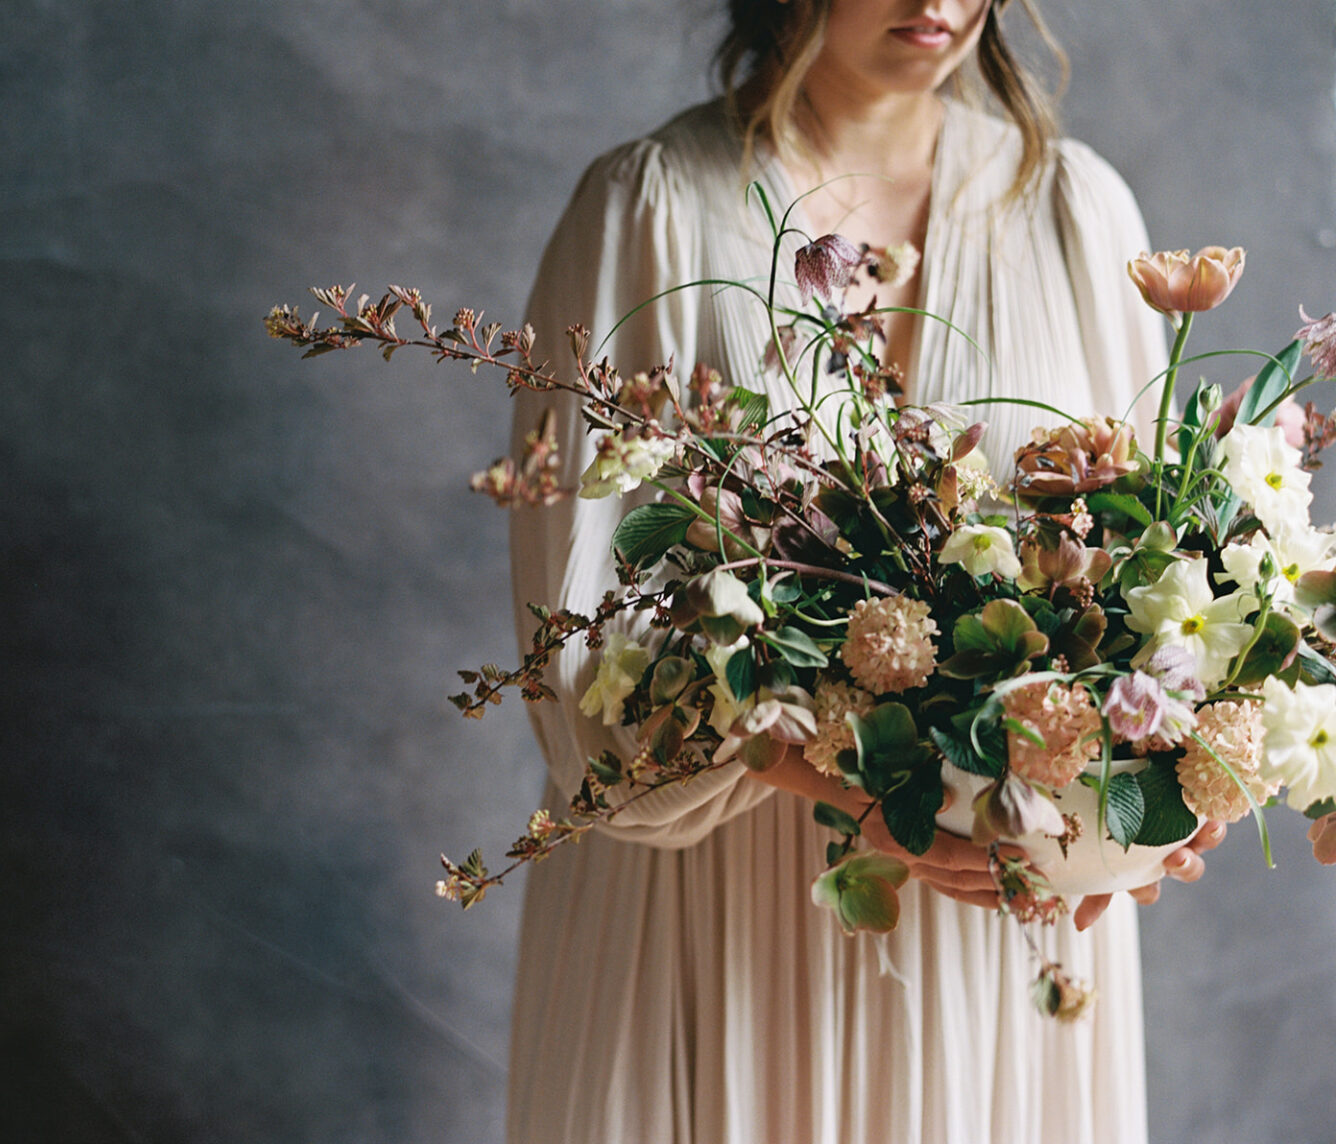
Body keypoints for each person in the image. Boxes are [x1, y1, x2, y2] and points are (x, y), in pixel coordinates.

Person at [507, 3, 1222, 1141]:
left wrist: (1157, 797)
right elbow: (585, 651)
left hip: (996, 922)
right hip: (718, 908)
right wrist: (857, 798)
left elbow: (1164, 576)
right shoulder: (649, 209)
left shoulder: (1079, 212)